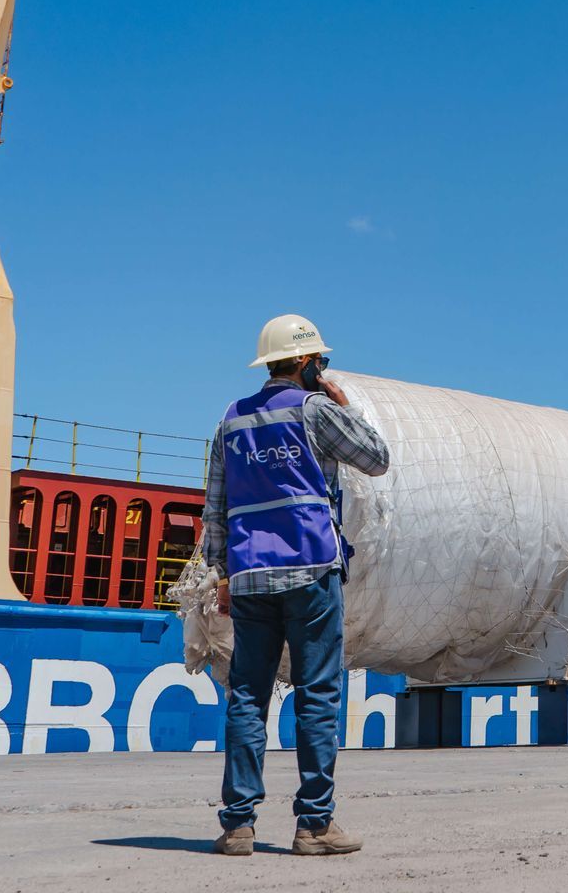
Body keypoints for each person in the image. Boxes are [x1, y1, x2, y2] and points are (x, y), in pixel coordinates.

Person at [203, 313, 390, 857]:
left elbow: (215, 506)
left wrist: (222, 574)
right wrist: (341, 404)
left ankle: (237, 825)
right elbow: (376, 458)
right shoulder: (315, 409)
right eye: (321, 362)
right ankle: (314, 825)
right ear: (306, 363)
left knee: (247, 697)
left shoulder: (231, 420)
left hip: (251, 577)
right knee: (317, 695)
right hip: (310, 569)